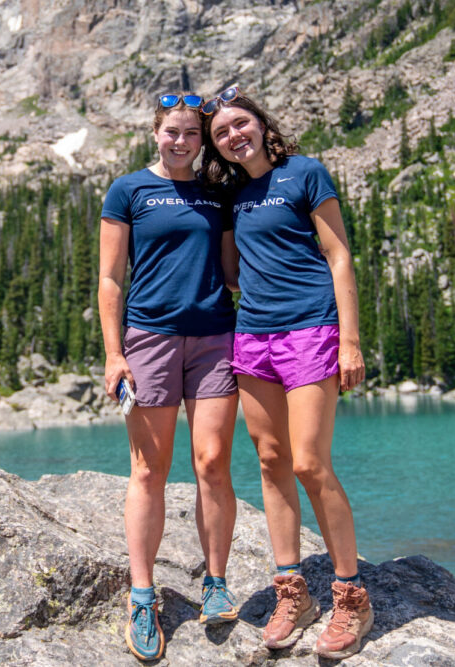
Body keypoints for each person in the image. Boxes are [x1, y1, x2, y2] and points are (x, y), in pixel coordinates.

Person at [199, 87, 373, 660]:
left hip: (311, 330)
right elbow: (230, 271)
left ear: (261, 123)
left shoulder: (305, 173)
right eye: (221, 134)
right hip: (253, 337)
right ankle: (293, 593)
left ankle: (351, 596)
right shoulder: (233, 195)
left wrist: (350, 341)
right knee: (271, 460)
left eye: (240, 124)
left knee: (308, 462)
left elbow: (338, 255)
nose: (233, 136)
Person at [98, 93, 242, 662]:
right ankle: (142, 594)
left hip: (215, 339)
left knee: (213, 463)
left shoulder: (216, 192)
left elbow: (232, 270)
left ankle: (216, 583)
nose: (181, 141)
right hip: (150, 340)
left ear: (202, 140)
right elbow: (111, 278)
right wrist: (114, 354)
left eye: (191, 134)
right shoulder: (128, 190)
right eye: (172, 132)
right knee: (148, 470)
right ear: (155, 133)